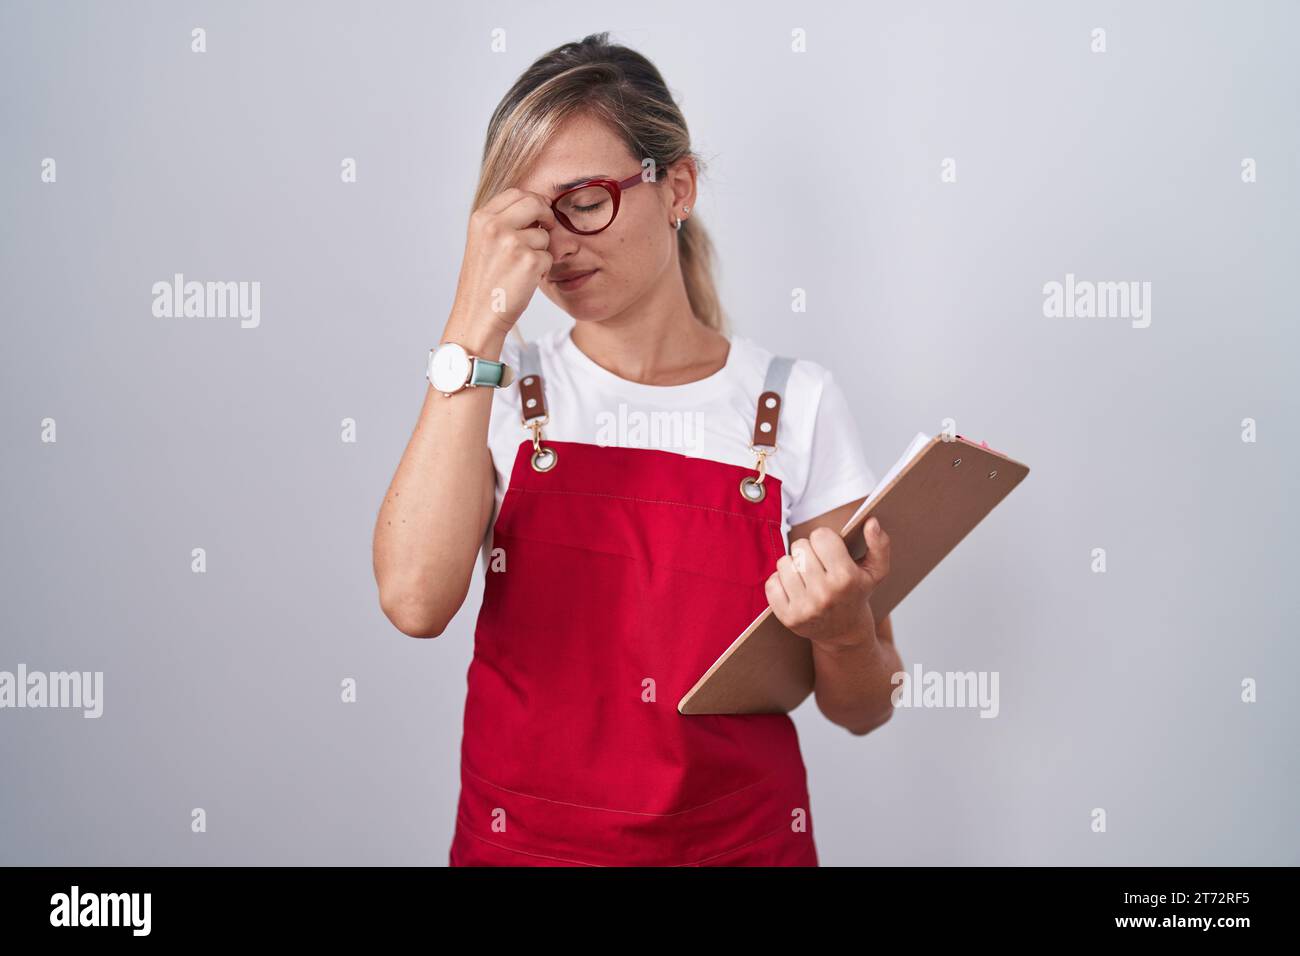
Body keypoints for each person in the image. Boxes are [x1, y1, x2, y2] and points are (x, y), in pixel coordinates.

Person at [372, 32, 901, 867]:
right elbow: (413, 602)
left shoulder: (794, 404)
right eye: (527, 218)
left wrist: (843, 634)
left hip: (739, 849)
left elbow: (866, 706)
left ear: (677, 185)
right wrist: (474, 322)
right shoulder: (495, 389)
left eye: (583, 200)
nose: (558, 245)